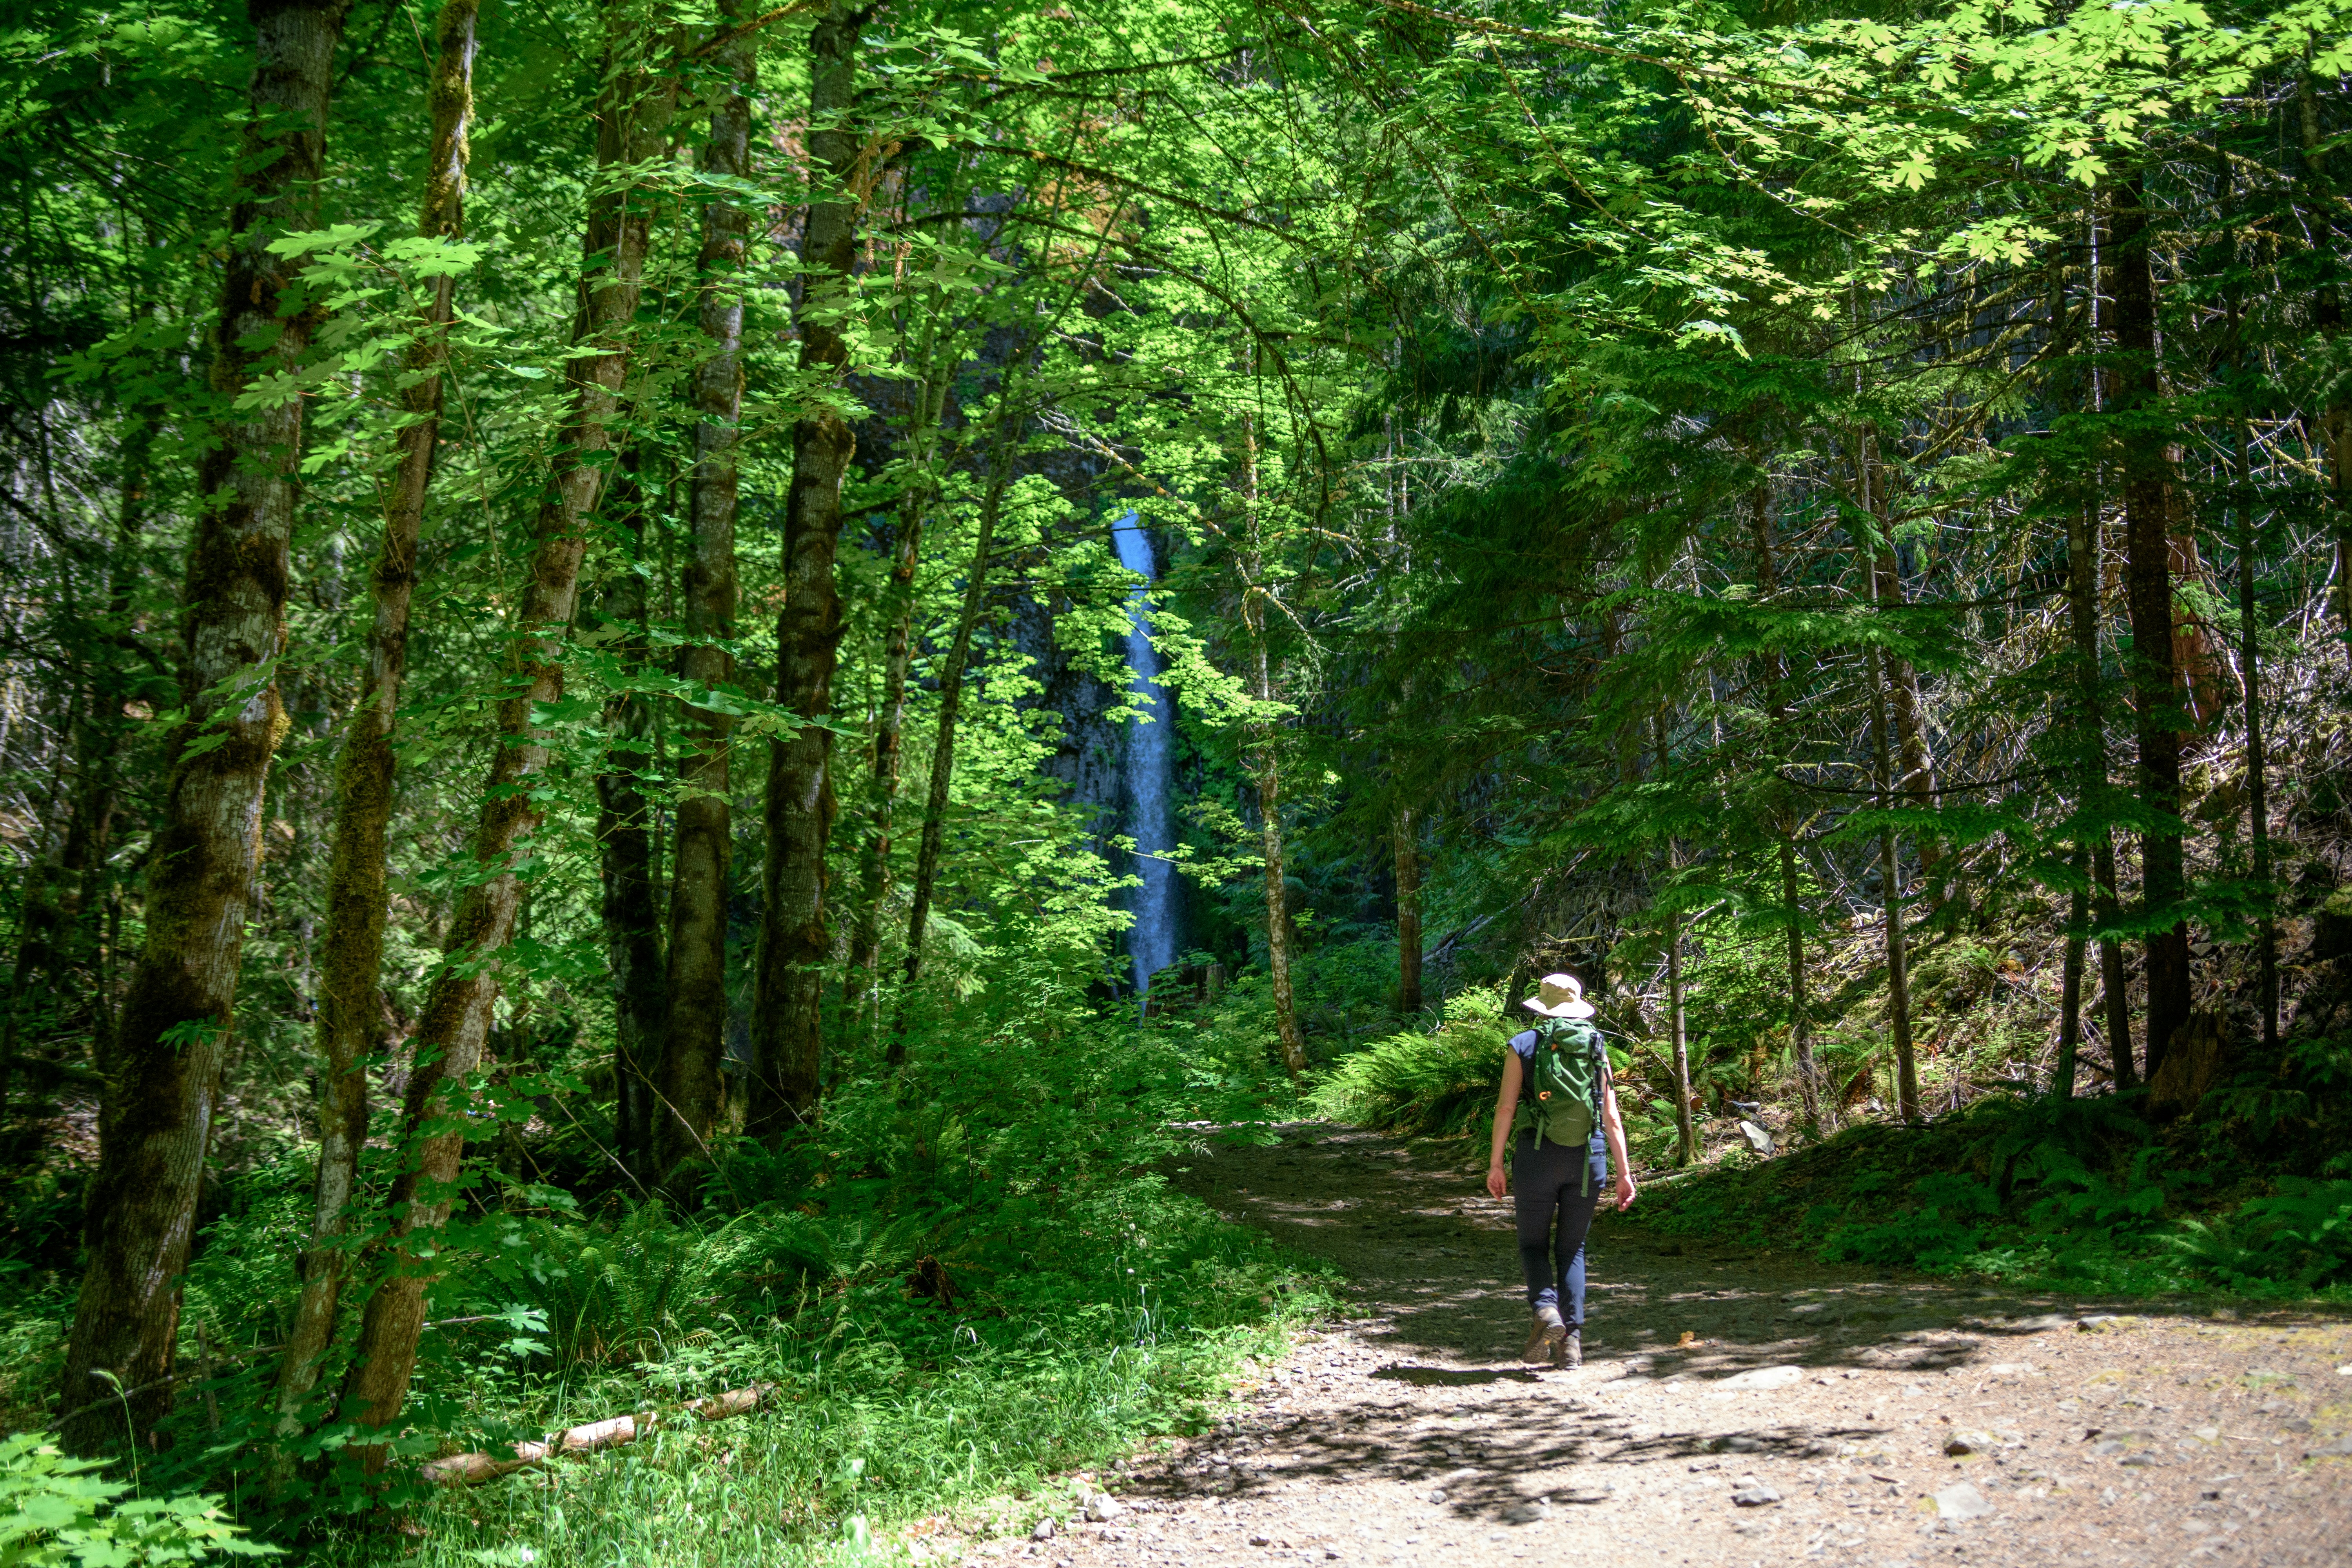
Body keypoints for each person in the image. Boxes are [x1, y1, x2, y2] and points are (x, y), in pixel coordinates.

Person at [1484, 972, 1636, 1368]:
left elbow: (1506, 1108)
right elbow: (1612, 1115)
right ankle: (1572, 1344)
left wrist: (1496, 1163)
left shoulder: (1524, 1045)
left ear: (1541, 1004)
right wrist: (1624, 1172)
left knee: (1533, 1246)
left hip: (1537, 1157)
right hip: (1589, 1158)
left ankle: (1546, 1310)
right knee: (1572, 1250)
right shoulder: (1596, 1046)